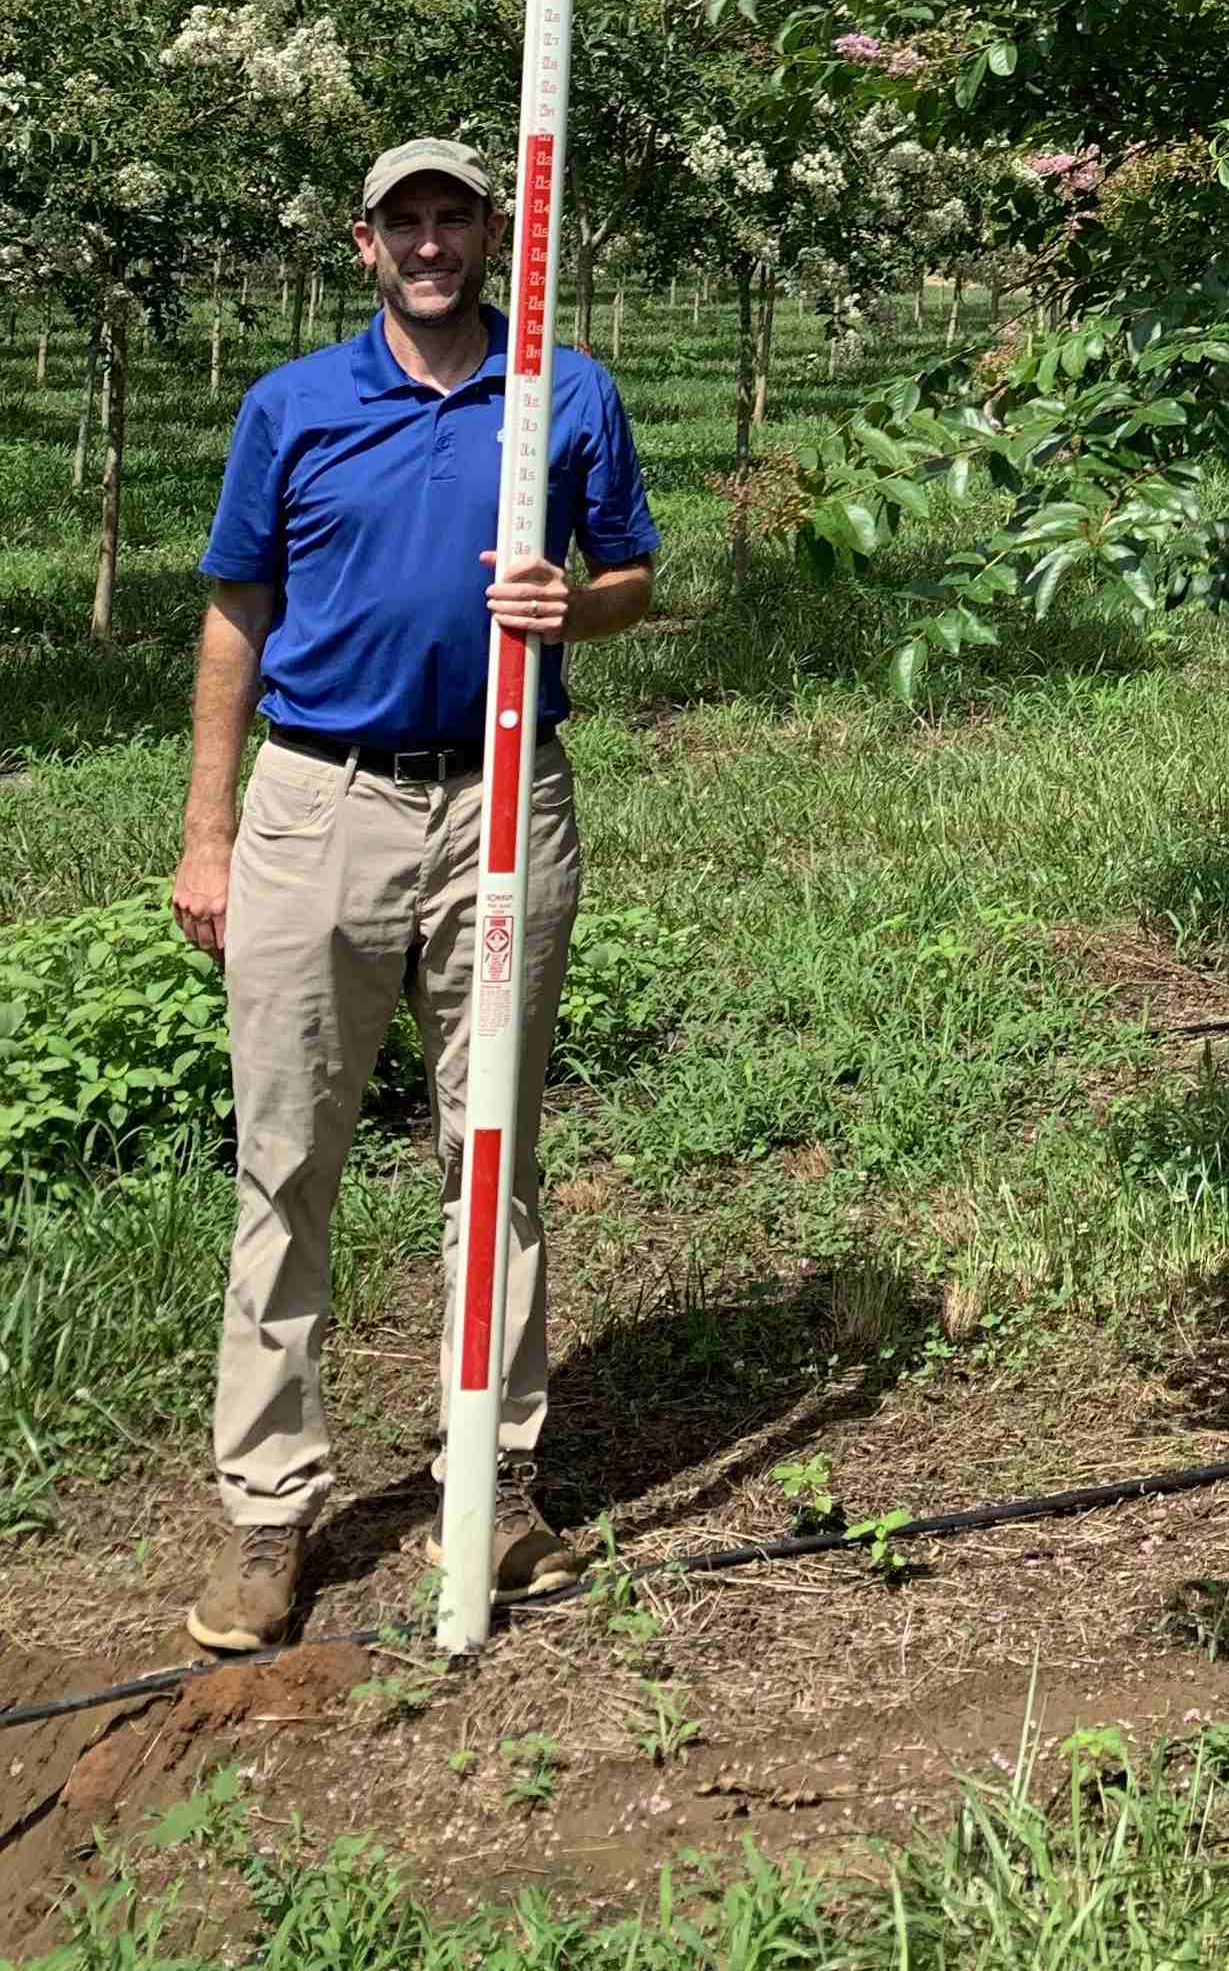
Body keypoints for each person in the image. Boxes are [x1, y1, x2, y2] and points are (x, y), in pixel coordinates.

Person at [171, 137, 667, 1653]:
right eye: (408, 223)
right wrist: (206, 830)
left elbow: (635, 573)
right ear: (366, 243)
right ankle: (269, 1512)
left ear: (493, 234)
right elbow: (235, 619)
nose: (434, 243)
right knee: (288, 1151)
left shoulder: (561, 393)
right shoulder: (295, 405)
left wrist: (569, 602)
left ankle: (495, 1477)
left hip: (505, 796)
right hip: (319, 803)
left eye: (458, 217)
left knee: (494, 1144)